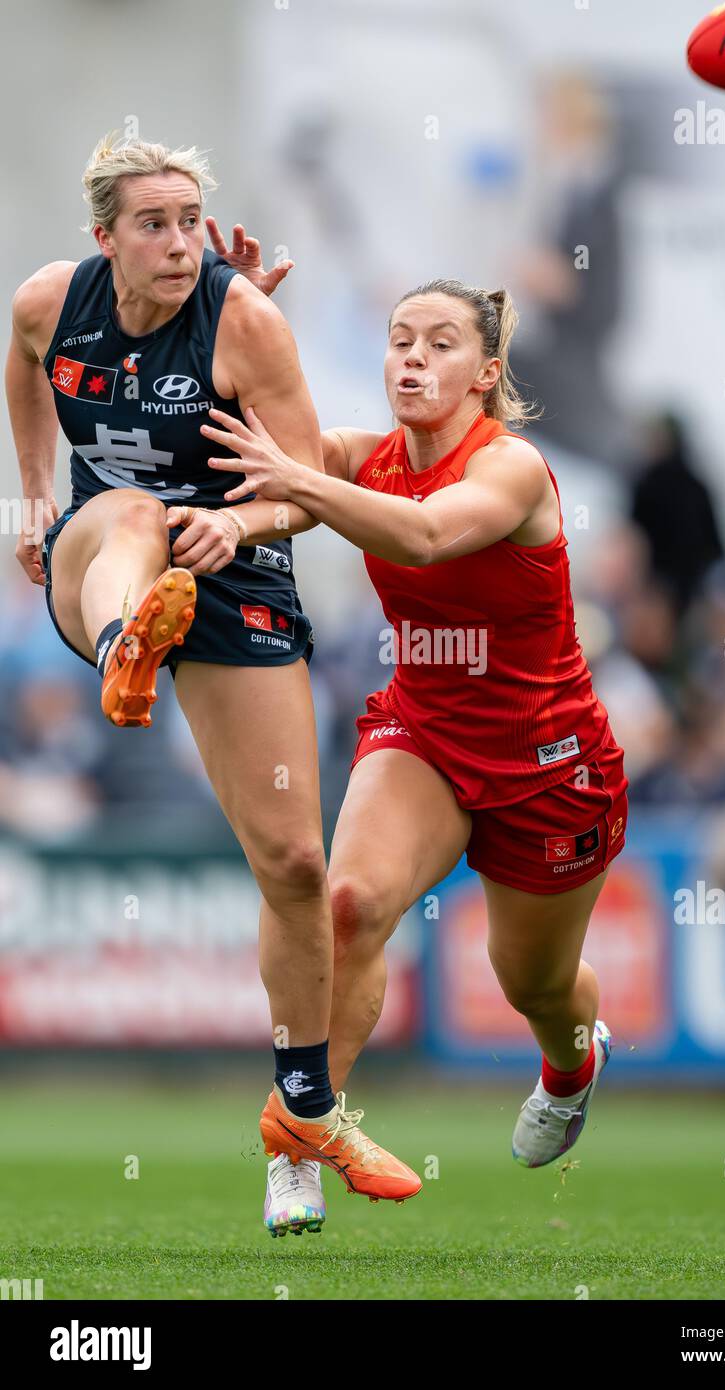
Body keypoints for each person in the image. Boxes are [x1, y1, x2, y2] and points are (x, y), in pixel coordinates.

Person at [4, 135, 421, 1238]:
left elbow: (305, 486)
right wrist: (34, 497)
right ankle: (125, 646)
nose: (182, 241)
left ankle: (298, 1128)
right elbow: (22, 358)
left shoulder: (244, 322)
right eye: (155, 223)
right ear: (104, 239)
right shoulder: (53, 300)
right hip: (106, 559)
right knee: (134, 515)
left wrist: (237, 518)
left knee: (295, 864)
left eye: (192, 219)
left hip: (235, 572)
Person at [201, 251, 629, 1221]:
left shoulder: (508, 467)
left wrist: (300, 485)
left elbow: (425, 535)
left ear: (483, 372)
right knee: (344, 904)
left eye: (439, 344)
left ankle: (571, 1062)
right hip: (425, 731)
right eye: (398, 341)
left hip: (547, 761)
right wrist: (228, 329)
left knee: (535, 982)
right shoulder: (359, 455)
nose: (410, 359)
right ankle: (302, 1136)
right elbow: (242, 446)